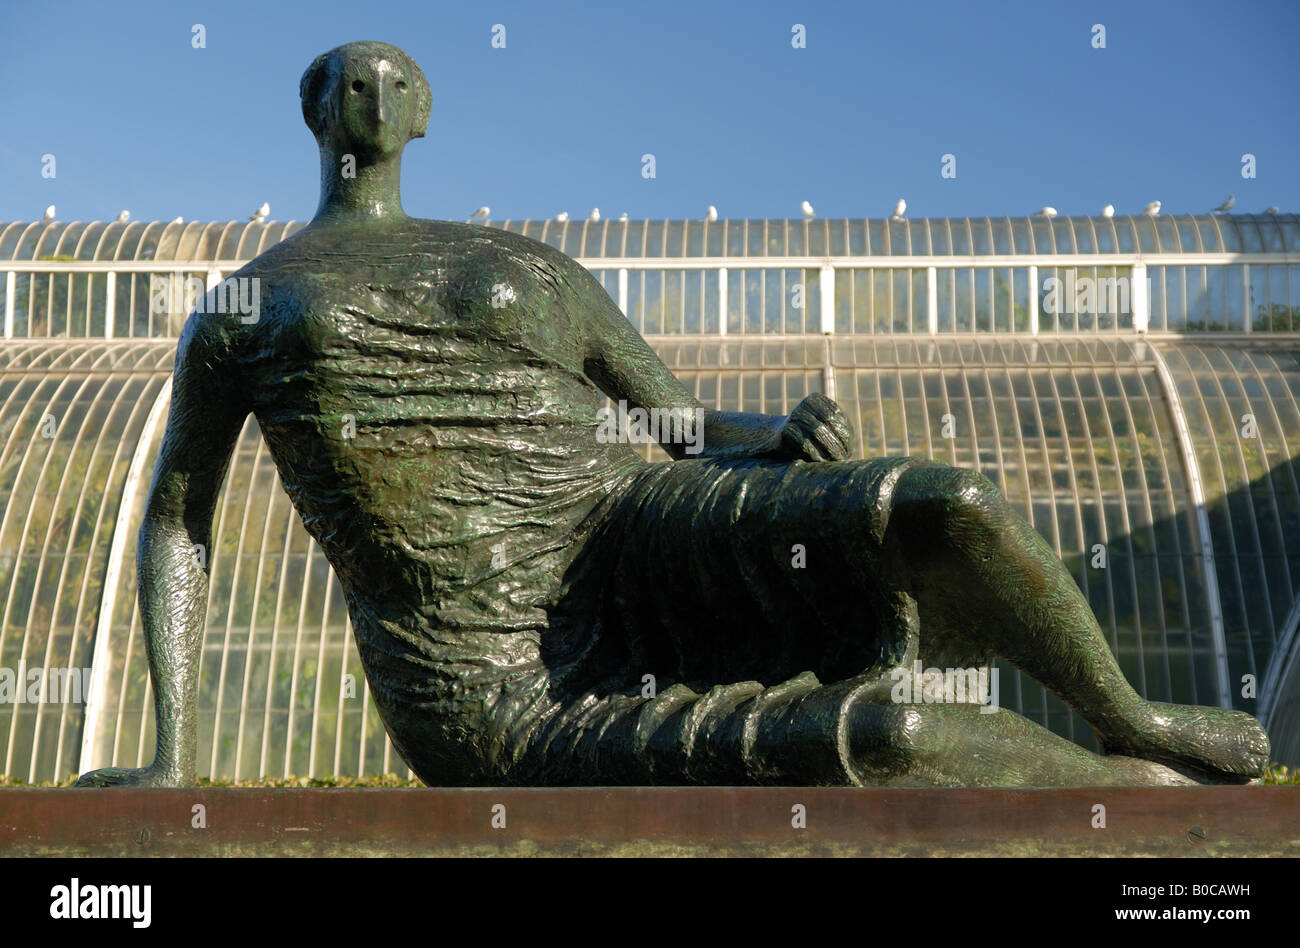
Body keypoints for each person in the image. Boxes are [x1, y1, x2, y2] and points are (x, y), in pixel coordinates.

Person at [76, 41, 1268, 790]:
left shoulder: (519, 262)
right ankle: (1126, 801)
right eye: (346, 79)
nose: (371, 92)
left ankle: (1128, 716)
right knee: (888, 737)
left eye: (397, 80)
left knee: (943, 503)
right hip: (490, 677)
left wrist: (769, 436)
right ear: (313, 113)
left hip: (633, 527)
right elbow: (179, 517)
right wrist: (176, 752)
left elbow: (674, 422)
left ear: (426, 115)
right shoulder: (249, 304)